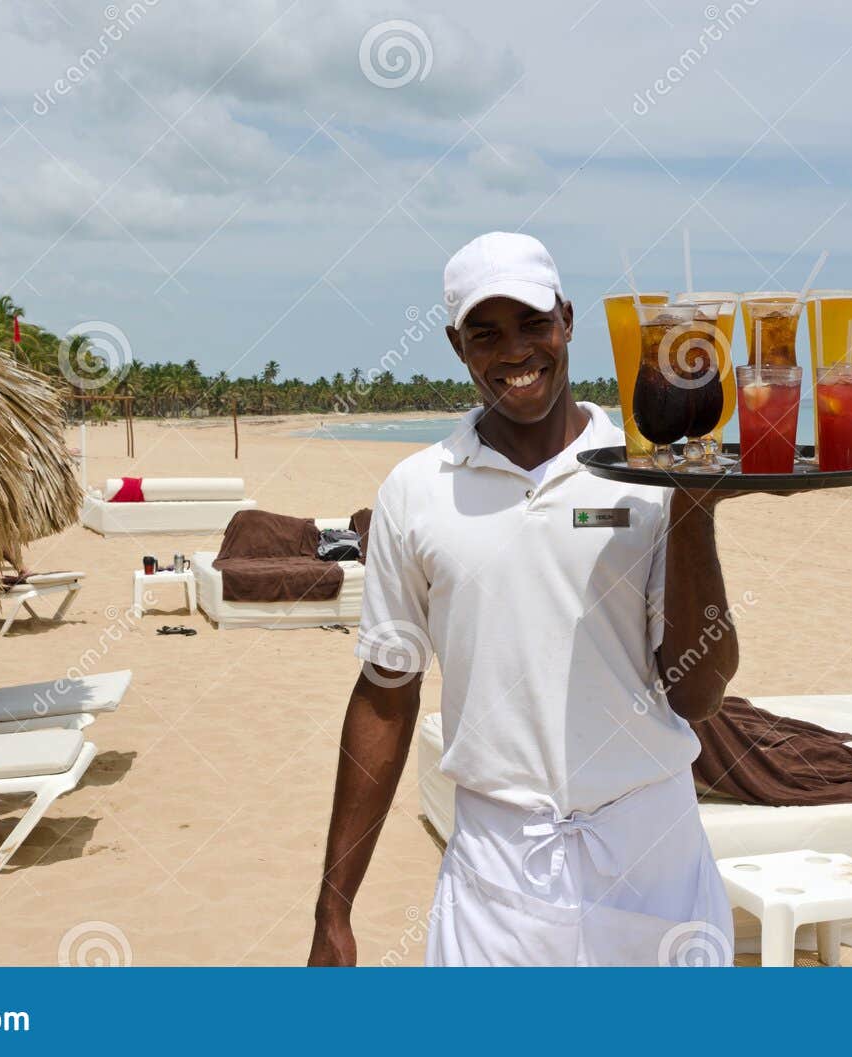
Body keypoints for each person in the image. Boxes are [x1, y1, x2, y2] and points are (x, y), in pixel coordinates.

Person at [308, 232, 739, 967]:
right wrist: (334, 908)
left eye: (533, 324)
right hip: (498, 869)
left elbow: (698, 690)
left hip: (653, 857)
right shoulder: (416, 492)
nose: (514, 352)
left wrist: (692, 502)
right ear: (456, 345)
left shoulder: (642, 473)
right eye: (486, 333)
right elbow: (386, 694)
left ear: (567, 319)